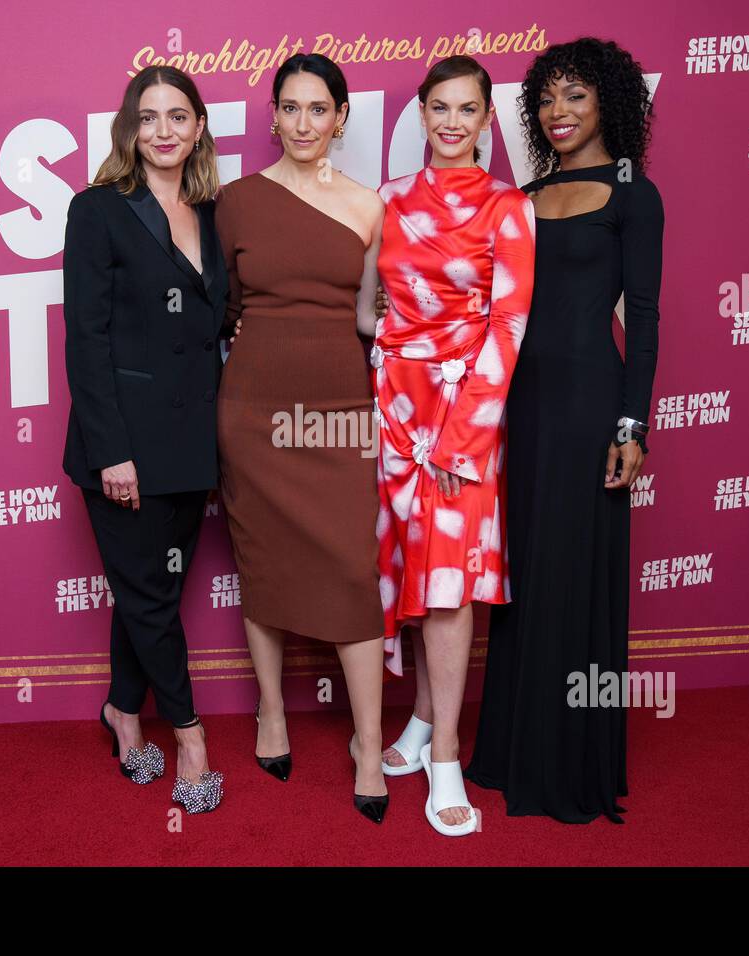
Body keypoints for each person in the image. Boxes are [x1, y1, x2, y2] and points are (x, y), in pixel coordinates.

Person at [464, 37, 664, 823]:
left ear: (609, 102)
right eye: (547, 97)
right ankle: (514, 747)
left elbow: (642, 320)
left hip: (591, 408)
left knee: (576, 574)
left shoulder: (632, 194)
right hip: (522, 406)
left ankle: (571, 764)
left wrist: (633, 423)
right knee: (526, 576)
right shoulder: (525, 196)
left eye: (575, 95)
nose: (558, 111)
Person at [216, 53, 390, 823]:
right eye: (289, 108)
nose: (303, 124)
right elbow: (218, 306)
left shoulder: (369, 207)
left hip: (338, 406)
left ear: (342, 116)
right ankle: (272, 714)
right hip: (253, 407)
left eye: (318, 109)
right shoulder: (236, 201)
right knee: (265, 562)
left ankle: (368, 739)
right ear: (274, 116)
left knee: (353, 567)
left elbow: (367, 316)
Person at [372, 56, 536, 836]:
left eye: (467, 109)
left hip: (466, 416)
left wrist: (464, 431)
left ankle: (446, 756)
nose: (451, 123)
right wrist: (392, 364)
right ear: (421, 113)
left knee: (449, 581)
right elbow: (370, 312)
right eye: (439, 107)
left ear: (486, 119)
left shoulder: (509, 205)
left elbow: (509, 325)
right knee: (412, 568)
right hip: (396, 409)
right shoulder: (389, 199)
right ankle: (416, 723)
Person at [62, 65, 228, 814]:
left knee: (150, 592)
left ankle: (122, 711)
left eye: (179, 116)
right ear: (131, 127)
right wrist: (110, 453)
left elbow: (212, 323)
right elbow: (85, 341)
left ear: (198, 127)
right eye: (149, 116)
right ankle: (188, 735)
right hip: (124, 443)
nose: (164, 130)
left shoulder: (211, 210)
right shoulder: (98, 210)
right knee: (151, 599)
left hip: (193, 442)